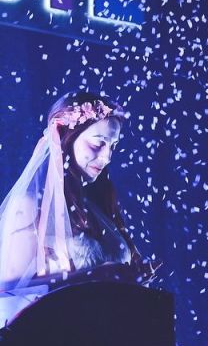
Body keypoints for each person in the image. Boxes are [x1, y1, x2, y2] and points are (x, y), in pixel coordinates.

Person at [0, 91, 152, 324]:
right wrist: (98, 276)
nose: (107, 157)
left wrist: (132, 277)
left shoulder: (97, 209)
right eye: (98, 144)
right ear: (67, 137)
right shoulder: (29, 206)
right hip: (57, 343)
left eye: (113, 145)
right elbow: (9, 294)